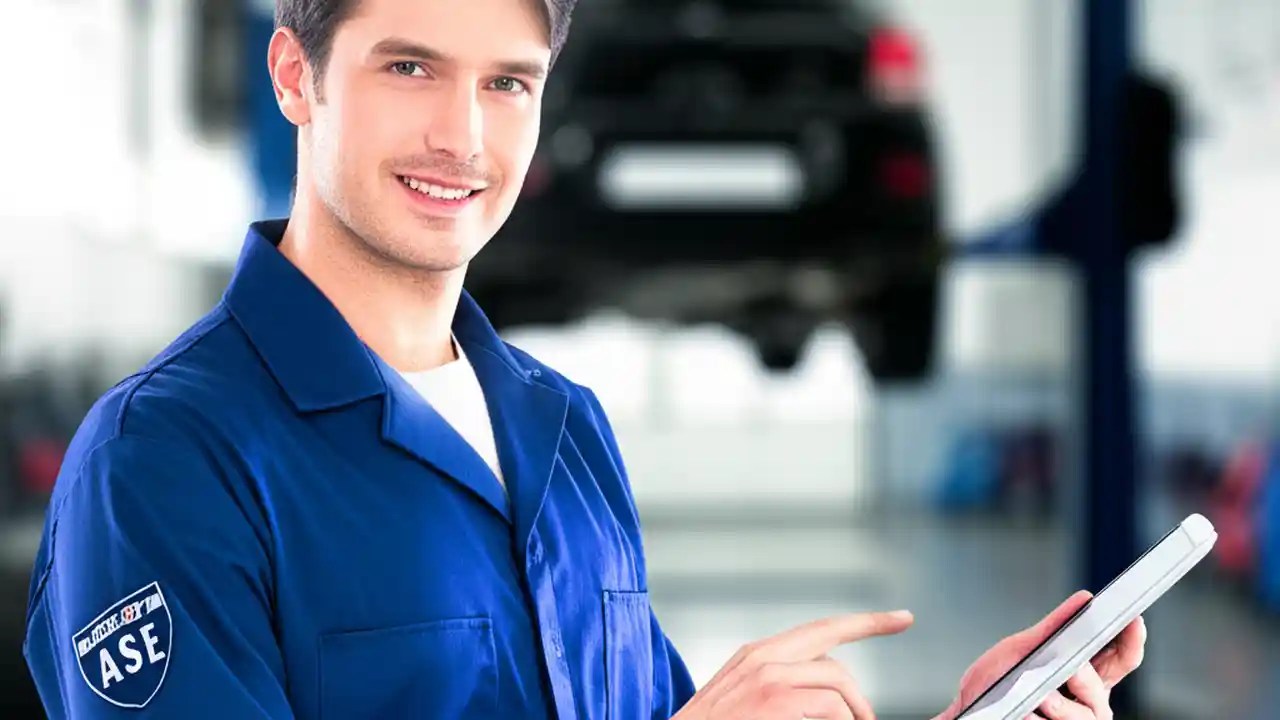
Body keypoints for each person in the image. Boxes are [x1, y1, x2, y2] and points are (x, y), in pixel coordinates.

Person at [21, 0, 1146, 717]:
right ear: (293, 75)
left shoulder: (560, 432)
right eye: (409, 67)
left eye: (506, 82)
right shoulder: (166, 460)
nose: (462, 136)